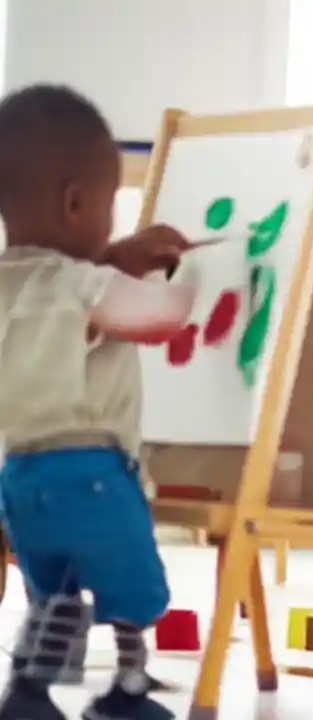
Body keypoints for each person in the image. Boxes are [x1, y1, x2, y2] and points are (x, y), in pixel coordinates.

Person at [0, 84, 197, 720]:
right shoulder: (80, 283)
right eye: (110, 208)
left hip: (20, 477)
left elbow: (61, 293)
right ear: (77, 202)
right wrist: (192, 280)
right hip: (90, 472)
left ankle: (29, 693)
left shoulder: (15, 280)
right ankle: (127, 691)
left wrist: (115, 257)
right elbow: (155, 318)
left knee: (53, 592)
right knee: (129, 587)